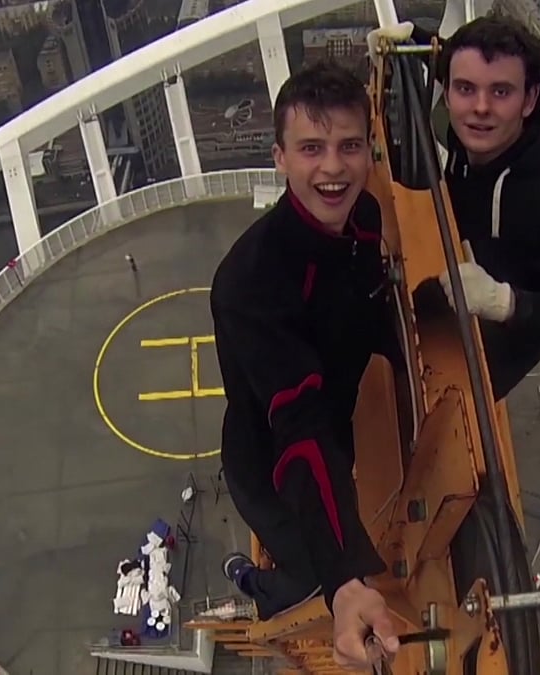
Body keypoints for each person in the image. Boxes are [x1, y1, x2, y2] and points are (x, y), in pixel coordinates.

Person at [210, 60, 401, 669]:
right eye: (311, 148)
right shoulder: (250, 280)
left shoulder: (364, 220)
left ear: (369, 149)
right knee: (304, 579)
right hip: (269, 466)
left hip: (329, 431)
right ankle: (252, 584)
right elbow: (296, 424)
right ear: (279, 157)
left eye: (349, 146)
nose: (333, 168)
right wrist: (344, 575)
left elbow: (367, 315)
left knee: (326, 551)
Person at [372, 15, 540, 398]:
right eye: (465, 89)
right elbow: (459, 67)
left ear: (529, 99)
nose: (480, 107)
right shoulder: (478, 134)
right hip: (448, 284)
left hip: (486, 355)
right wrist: (414, 44)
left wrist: (505, 303)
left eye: (501, 92)